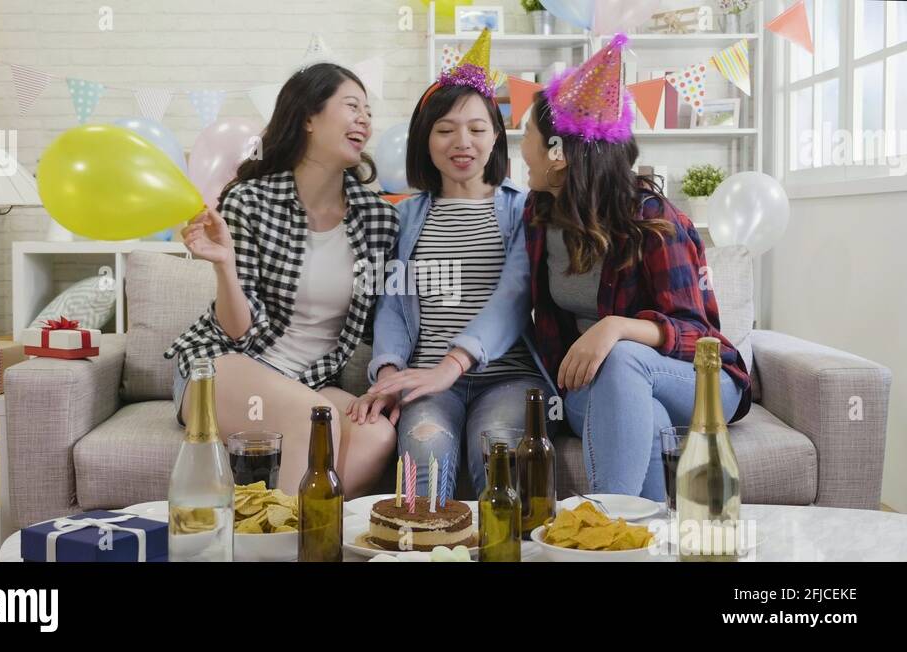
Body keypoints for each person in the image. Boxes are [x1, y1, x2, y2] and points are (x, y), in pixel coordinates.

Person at [518, 35, 752, 500]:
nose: (520, 144)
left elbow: (699, 336)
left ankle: (605, 531)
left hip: (697, 379)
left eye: (527, 133)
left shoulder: (654, 220)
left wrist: (617, 329)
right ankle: (640, 546)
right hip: (594, 385)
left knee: (623, 358)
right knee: (648, 417)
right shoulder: (538, 215)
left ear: (559, 154)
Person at [164, 63, 400, 498]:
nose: (365, 119)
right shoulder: (250, 200)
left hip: (307, 379)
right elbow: (236, 331)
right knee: (315, 416)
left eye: (368, 110)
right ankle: (281, 543)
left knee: (376, 436)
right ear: (308, 117)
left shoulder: (379, 218)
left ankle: (303, 537)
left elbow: (390, 317)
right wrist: (224, 266)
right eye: (352, 106)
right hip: (225, 366)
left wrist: (403, 377)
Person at [350, 31, 553, 498]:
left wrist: (453, 363)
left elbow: (515, 295)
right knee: (424, 457)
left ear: (496, 136)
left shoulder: (525, 210)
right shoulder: (402, 217)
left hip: (508, 377)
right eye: (445, 129)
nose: (462, 141)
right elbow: (392, 306)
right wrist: (387, 375)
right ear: (425, 139)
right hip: (426, 381)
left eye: (477, 129)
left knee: (498, 454)